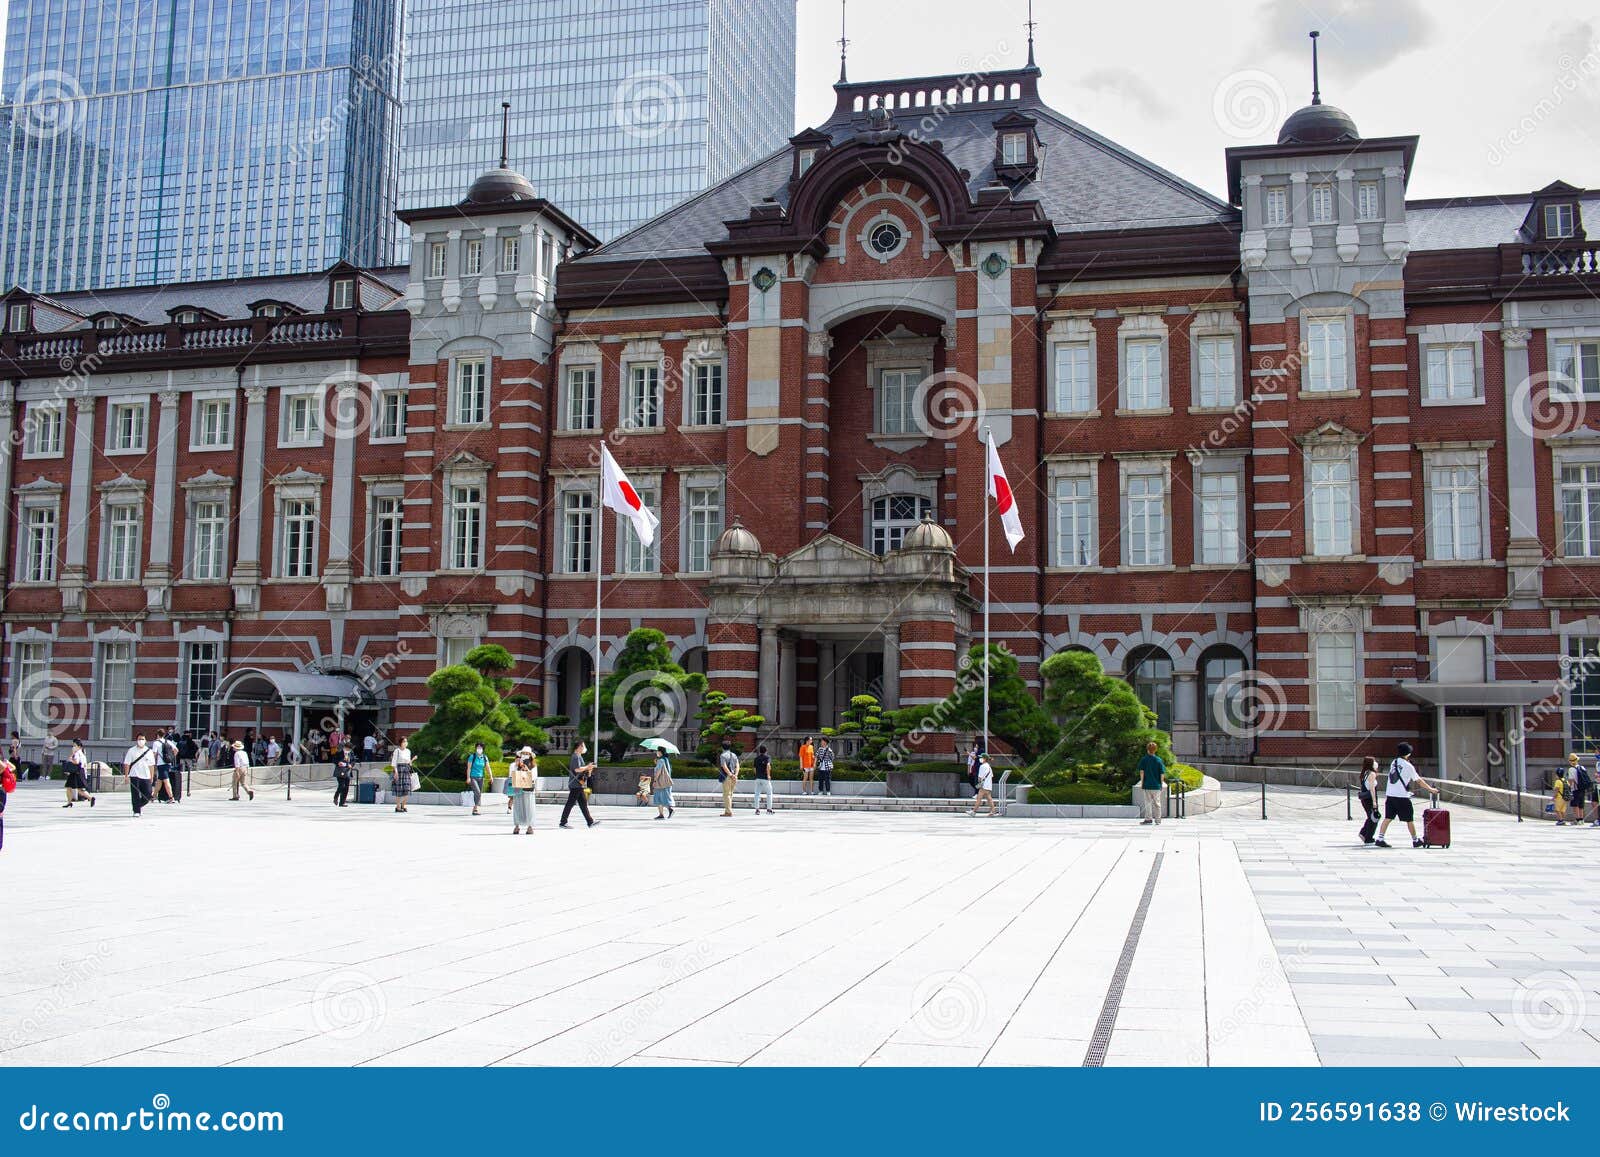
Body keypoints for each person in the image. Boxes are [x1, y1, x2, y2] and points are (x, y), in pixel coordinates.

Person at [1375, 742, 1435, 849]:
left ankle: (1380, 838)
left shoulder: (1394, 762)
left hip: (1390, 795)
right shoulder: (1408, 766)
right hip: (1402, 796)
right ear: (1408, 754)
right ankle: (1415, 840)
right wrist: (1430, 789)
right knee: (1409, 819)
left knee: (1388, 817)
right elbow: (1418, 780)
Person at [558, 741, 598, 828]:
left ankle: (590, 822)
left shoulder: (579, 756)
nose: (584, 748)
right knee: (570, 804)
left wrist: (588, 768)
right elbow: (577, 769)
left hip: (579, 784)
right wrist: (587, 767)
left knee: (583, 804)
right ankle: (563, 822)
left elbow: (582, 769)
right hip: (575, 785)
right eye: (583, 746)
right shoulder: (575, 757)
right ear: (579, 747)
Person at [123, 735, 158, 817]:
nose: (141, 741)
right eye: (139, 739)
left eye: (142, 739)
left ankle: (138, 806)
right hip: (134, 775)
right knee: (135, 794)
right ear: (136, 740)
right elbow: (127, 763)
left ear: (145, 741)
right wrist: (126, 776)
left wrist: (152, 777)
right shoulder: (131, 750)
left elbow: (151, 765)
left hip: (146, 775)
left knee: (148, 794)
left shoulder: (149, 751)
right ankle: (136, 811)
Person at [1137, 741, 1167, 825]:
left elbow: (1142, 772)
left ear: (1147, 750)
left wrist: (1142, 783)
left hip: (1147, 785)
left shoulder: (1144, 759)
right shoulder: (1159, 760)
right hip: (1156, 786)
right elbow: (1162, 774)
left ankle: (1148, 819)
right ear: (1155, 750)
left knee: (1148, 803)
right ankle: (1158, 820)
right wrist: (1161, 784)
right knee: (1157, 803)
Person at [509, 746, 537, 834]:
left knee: (529, 807)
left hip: (529, 789)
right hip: (518, 788)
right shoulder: (514, 764)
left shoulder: (533, 765)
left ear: (530, 755)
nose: (525, 755)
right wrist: (516, 766)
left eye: (527, 753)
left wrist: (527, 770)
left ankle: (530, 826)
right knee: (517, 807)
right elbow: (511, 775)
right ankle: (517, 826)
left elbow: (534, 777)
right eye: (523, 753)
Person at [63, 738, 95, 809]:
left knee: (72, 788)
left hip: (76, 773)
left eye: (75, 746)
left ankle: (70, 802)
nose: (73, 747)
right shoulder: (82, 754)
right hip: (80, 772)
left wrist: (71, 758)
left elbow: (76, 762)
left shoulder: (77, 753)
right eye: (73, 746)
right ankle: (89, 798)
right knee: (76, 789)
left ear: (79, 746)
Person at [1357, 756, 1381, 845]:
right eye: (1374, 761)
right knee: (1374, 817)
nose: (1376, 763)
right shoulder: (1371, 774)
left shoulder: (1365, 773)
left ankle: (1363, 833)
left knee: (1371, 817)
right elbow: (1372, 788)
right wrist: (1374, 801)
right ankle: (1368, 837)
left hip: (1365, 798)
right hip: (1370, 798)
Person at [717, 741, 740, 817]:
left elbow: (724, 766)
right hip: (734, 777)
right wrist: (735, 775)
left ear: (722, 747)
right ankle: (728, 810)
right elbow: (737, 765)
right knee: (731, 794)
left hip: (727, 776)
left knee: (726, 794)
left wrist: (730, 775)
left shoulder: (723, 755)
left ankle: (728, 812)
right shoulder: (734, 755)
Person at [970, 752, 997, 817]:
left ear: (984, 759)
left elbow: (979, 778)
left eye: (981, 758)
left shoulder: (982, 766)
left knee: (979, 798)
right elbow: (991, 776)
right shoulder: (988, 766)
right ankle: (993, 811)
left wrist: (979, 784)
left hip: (983, 786)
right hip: (988, 785)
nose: (980, 759)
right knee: (989, 799)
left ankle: (974, 811)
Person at [465, 742, 489, 815]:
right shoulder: (472, 756)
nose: (479, 749)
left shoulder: (484, 757)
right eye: (478, 747)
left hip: (481, 777)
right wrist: (468, 778)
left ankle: (475, 809)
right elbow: (469, 768)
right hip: (473, 777)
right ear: (475, 748)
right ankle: (475, 808)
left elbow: (488, 767)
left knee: (479, 794)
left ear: (483, 749)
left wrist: (491, 776)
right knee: (477, 792)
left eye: (480, 747)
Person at [392, 736, 414, 813]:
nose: (406, 743)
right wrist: (396, 772)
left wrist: (411, 771)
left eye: (406, 741)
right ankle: (398, 807)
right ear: (400, 743)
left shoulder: (408, 751)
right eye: (404, 741)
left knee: (407, 789)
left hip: (406, 770)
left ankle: (403, 805)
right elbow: (394, 763)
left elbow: (409, 762)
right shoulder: (397, 751)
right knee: (399, 789)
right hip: (399, 770)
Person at [751, 743, 775, 815]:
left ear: (760, 751)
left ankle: (757, 810)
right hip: (765, 778)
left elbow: (754, 769)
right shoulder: (767, 758)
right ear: (766, 751)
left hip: (758, 778)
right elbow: (768, 766)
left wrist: (757, 775)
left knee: (757, 794)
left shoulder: (756, 758)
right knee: (769, 794)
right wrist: (768, 775)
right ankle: (769, 809)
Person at [651, 749, 674, 819]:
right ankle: (662, 814)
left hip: (660, 782)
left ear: (661, 752)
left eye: (657, 751)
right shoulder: (666, 760)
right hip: (666, 782)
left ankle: (668, 810)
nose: (656, 752)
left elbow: (658, 771)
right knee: (664, 797)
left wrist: (655, 781)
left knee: (659, 797)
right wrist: (656, 763)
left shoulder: (661, 760)